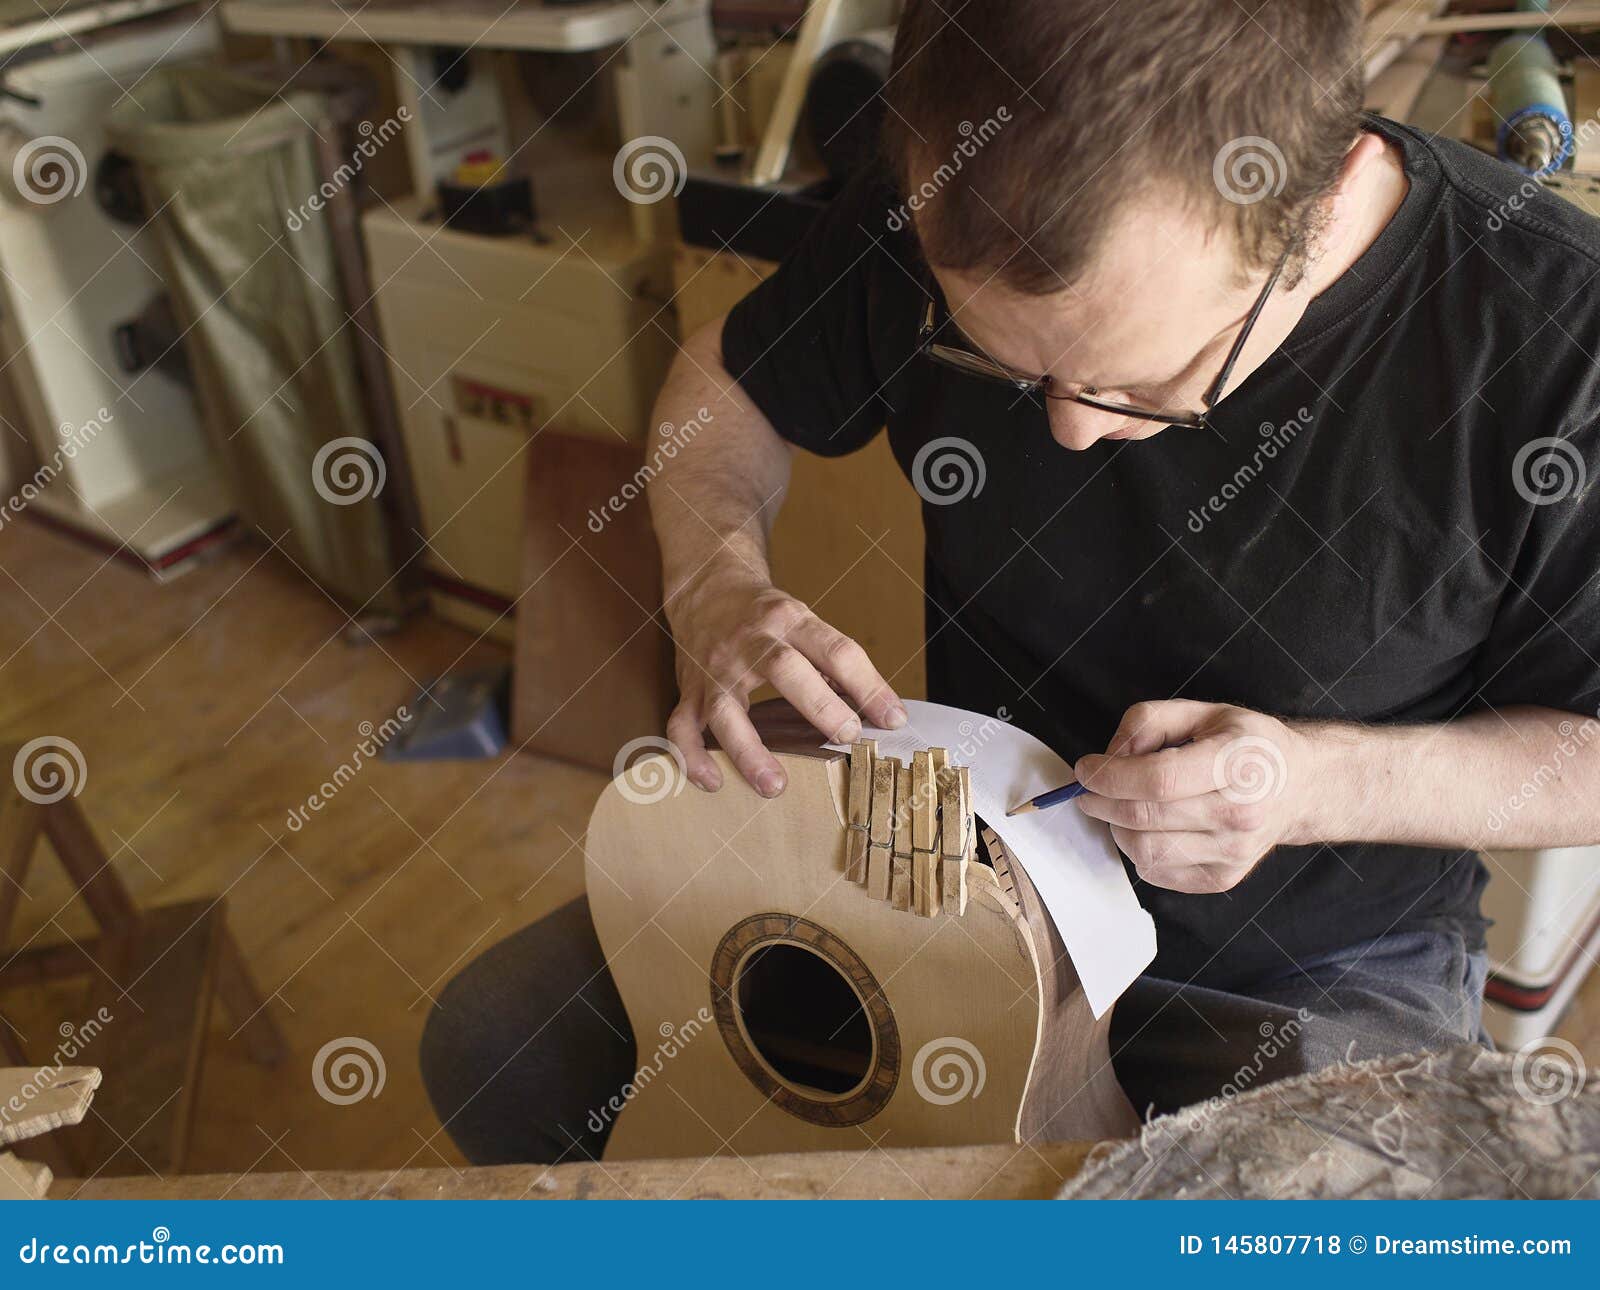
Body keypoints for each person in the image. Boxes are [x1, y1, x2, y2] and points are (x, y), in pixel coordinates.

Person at [422, 0, 1600, 1165]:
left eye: (1145, 385)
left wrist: (1309, 786)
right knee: (500, 1053)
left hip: (1302, 961)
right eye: (1000, 362)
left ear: (1320, 193)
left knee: (1290, 1224)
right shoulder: (966, 183)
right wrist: (713, 584)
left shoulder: (1552, 336)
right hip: (943, 876)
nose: (1070, 431)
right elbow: (729, 381)